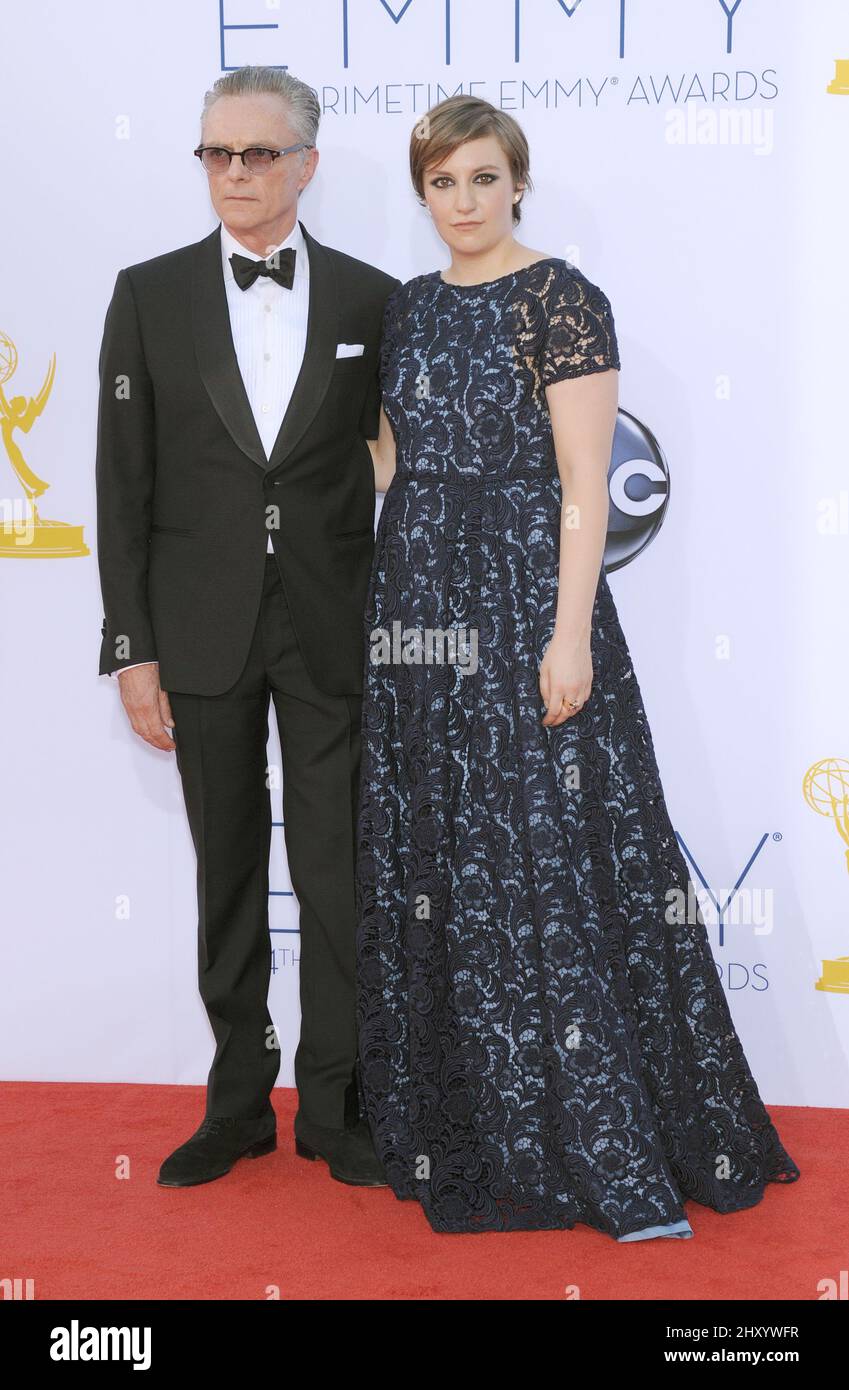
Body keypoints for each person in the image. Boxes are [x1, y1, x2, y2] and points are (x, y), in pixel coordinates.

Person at [354, 95, 800, 1239]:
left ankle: (595, 1135)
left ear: (518, 184)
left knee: (545, 856)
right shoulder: (405, 310)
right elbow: (392, 465)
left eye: (483, 179)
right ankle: (457, 1124)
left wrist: (567, 635)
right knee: (445, 847)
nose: (463, 202)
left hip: (523, 603)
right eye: (443, 183)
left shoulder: (560, 299)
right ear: (424, 194)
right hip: (421, 610)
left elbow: (585, 490)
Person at [96, 65, 399, 1188]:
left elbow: (401, 472)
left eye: (259, 153)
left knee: (335, 876)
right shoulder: (146, 294)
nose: (235, 172)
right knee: (226, 874)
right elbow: (120, 486)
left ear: (306, 165)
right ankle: (235, 1104)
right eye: (217, 152)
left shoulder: (376, 298)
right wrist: (133, 646)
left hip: (334, 630)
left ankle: (335, 1105)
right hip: (200, 630)